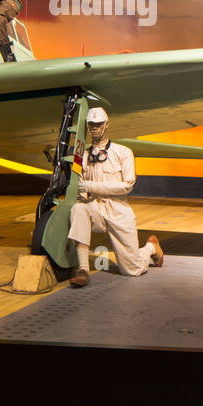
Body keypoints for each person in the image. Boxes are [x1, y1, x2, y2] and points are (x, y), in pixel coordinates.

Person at [67, 106, 163, 287]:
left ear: (106, 125)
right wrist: (81, 191)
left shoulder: (123, 152)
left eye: (98, 124)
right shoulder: (83, 156)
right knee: (78, 208)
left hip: (118, 209)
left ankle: (151, 247)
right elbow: (78, 185)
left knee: (131, 270)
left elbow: (127, 185)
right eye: (91, 124)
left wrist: (89, 185)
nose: (95, 128)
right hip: (94, 207)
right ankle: (83, 269)